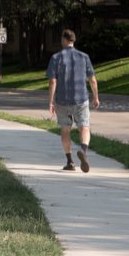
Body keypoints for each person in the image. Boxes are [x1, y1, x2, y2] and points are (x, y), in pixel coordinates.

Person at [47, 29, 101, 172]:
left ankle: (70, 161)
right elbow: (92, 80)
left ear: (64, 40)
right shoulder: (84, 57)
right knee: (84, 127)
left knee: (65, 130)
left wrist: (51, 102)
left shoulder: (56, 57)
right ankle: (83, 150)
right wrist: (95, 97)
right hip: (81, 99)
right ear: (73, 40)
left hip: (62, 101)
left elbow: (53, 81)